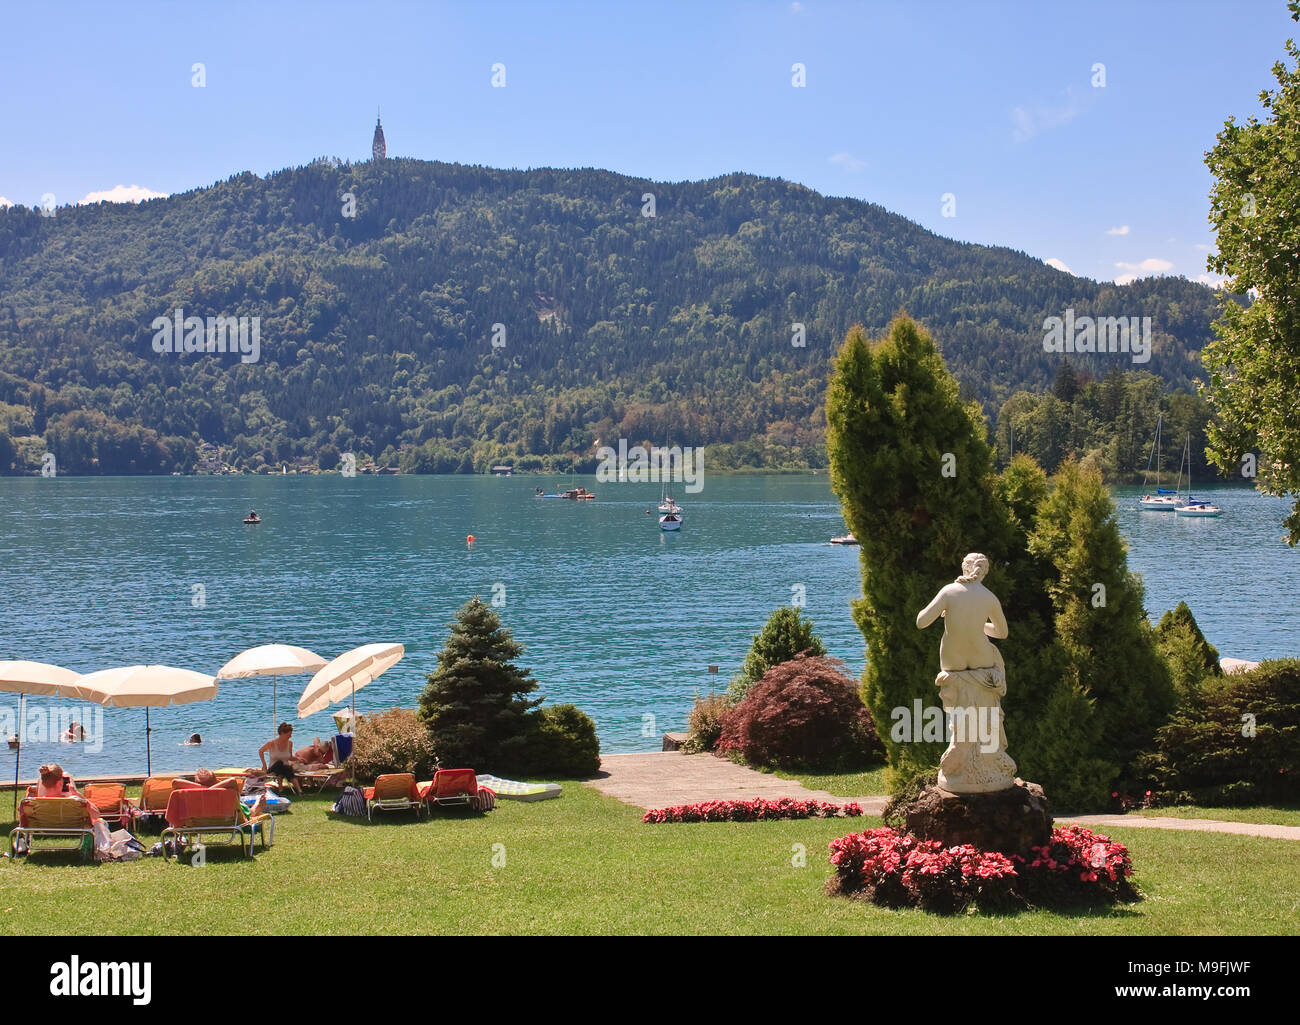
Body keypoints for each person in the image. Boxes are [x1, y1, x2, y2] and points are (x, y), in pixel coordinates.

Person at [258, 722, 302, 794]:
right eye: (289, 734)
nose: (290, 736)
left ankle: (283, 790)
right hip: (273, 768)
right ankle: (299, 790)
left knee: (285, 767)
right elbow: (261, 751)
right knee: (280, 763)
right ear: (282, 733)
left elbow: (290, 757)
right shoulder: (271, 743)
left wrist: (298, 759)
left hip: (284, 769)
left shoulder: (290, 743)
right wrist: (264, 765)